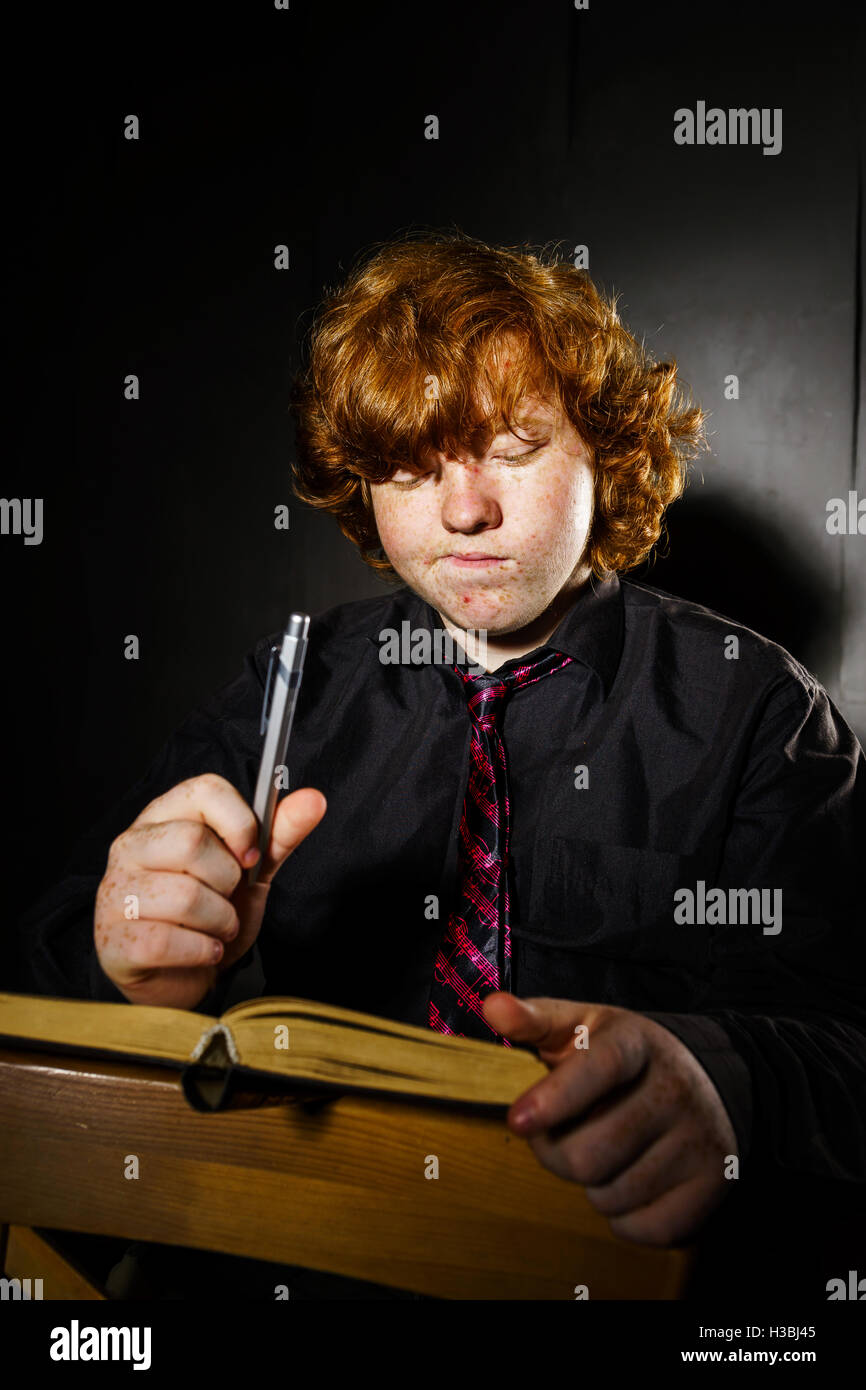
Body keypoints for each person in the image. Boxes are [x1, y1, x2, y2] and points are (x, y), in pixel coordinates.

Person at [16, 231, 866, 1299]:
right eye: (413, 461)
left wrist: (726, 1081)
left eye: (514, 447)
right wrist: (130, 969)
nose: (463, 508)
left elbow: (848, 1045)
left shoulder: (756, 708)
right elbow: (45, 1004)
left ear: (604, 453)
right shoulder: (293, 686)